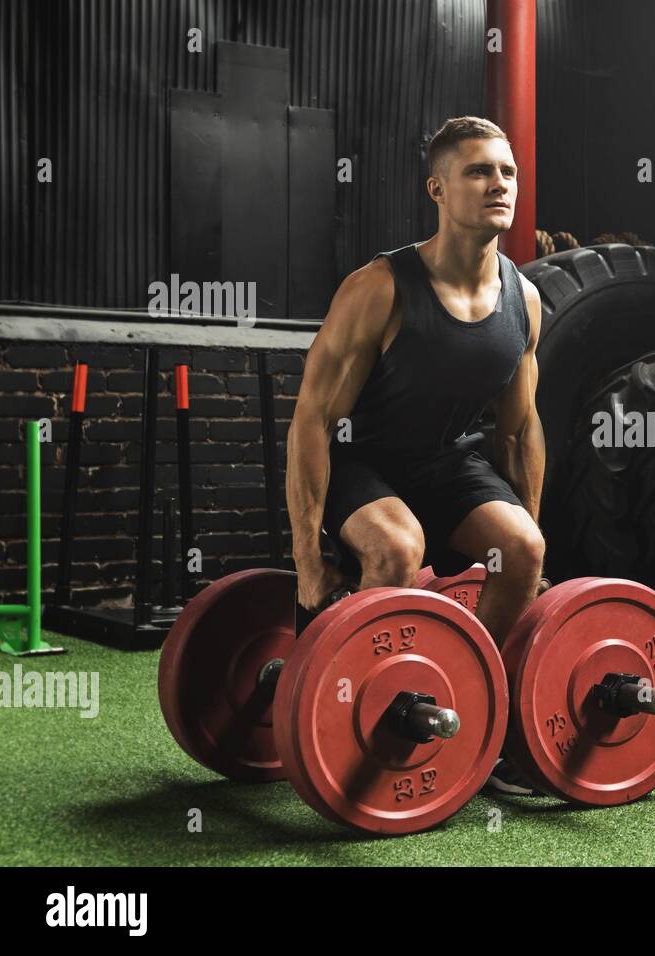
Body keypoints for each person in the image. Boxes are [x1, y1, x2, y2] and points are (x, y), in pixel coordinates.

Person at [286, 116, 544, 794]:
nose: (499, 184)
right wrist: (309, 562)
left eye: (508, 172)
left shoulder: (525, 298)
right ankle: (348, 722)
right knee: (398, 549)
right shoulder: (380, 286)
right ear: (438, 188)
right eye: (479, 171)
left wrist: (532, 542)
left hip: (447, 464)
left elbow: (518, 431)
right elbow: (313, 419)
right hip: (359, 459)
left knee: (521, 550)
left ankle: (473, 710)